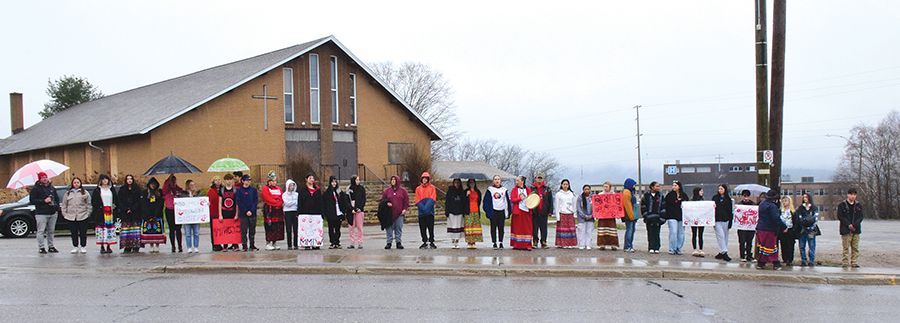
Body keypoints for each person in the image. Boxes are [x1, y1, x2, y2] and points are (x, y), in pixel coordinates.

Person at [756, 189, 786, 270]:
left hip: (760, 228)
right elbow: (776, 219)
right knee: (771, 247)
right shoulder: (772, 206)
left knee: (763, 247)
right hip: (769, 229)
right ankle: (775, 262)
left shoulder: (762, 204)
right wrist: (784, 226)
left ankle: (761, 262)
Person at [30, 172, 59, 254]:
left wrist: (56, 207)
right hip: (41, 213)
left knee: (51, 231)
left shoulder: (52, 188)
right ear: (39, 179)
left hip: (52, 212)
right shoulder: (36, 189)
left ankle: (51, 246)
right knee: (41, 231)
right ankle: (41, 247)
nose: (45, 178)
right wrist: (43, 201)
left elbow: (56, 199)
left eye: (46, 177)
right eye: (42, 177)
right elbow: (32, 200)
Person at [61, 177, 91, 254]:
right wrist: (65, 214)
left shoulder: (85, 192)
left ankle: (83, 246)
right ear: (72, 184)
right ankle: (75, 246)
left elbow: (89, 204)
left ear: (80, 183)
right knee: (73, 232)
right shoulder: (68, 193)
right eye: (74, 182)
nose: (76, 184)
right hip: (71, 216)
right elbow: (64, 205)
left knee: (83, 232)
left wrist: (88, 213)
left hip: (82, 215)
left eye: (78, 182)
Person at [92, 174, 118, 254]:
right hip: (101, 212)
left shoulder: (111, 190)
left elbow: (116, 200)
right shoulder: (97, 190)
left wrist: (115, 207)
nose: (105, 181)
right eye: (103, 179)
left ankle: (108, 245)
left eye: (106, 179)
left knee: (109, 229)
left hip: (110, 212)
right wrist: (99, 208)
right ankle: (102, 246)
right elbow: (94, 201)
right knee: (101, 229)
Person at [837, 188, 864, 268]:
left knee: (855, 248)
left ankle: (854, 262)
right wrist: (848, 224)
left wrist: (855, 224)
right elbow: (840, 216)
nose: (853, 196)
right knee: (846, 248)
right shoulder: (842, 205)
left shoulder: (858, 205)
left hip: (856, 230)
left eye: (854, 195)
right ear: (848, 195)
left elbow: (861, 216)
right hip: (845, 230)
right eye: (851, 194)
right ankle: (845, 263)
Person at [482, 175, 510, 250]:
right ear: (493, 181)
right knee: (493, 228)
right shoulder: (490, 189)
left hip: (501, 211)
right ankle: (494, 242)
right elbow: (486, 201)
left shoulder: (504, 190)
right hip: (493, 211)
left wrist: (508, 212)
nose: (497, 181)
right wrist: (487, 211)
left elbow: (507, 201)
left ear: (500, 181)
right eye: (495, 179)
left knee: (501, 228)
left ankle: (501, 242)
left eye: (498, 179)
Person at [298, 174, 325, 250]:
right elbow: (300, 201)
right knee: (307, 228)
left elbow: (320, 202)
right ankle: (307, 243)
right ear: (306, 179)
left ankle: (316, 243)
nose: (312, 179)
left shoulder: (317, 190)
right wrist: (299, 212)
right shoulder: (303, 190)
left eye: (313, 178)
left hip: (316, 212)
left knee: (315, 228)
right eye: (310, 178)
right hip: (305, 212)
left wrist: (322, 212)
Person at [118, 175, 143, 254]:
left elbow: (139, 201)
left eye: (131, 179)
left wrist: (132, 209)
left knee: (135, 230)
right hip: (125, 214)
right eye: (128, 179)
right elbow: (120, 201)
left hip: (135, 213)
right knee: (127, 231)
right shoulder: (122, 189)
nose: (129, 180)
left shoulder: (137, 189)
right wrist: (126, 209)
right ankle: (127, 246)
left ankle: (136, 246)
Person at [382, 175, 409, 250]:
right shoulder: (387, 191)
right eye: (392, 179)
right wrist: (386, 203)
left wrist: (404, 209)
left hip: (399, 214)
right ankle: (389, 242)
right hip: (389, 214)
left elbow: (406, 201)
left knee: (398, 228)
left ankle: (398, 242)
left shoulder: (403, 191)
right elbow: (382, 200)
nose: (393, 181)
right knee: (389, 229)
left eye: (394, 179)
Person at [261, 172, 285, 251]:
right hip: (270, 210)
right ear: (269, 181)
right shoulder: (265, 188)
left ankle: (274, 242)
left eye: (275, 181)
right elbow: (268, 198)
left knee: (277, 225)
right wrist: (276, 202)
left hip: (278, 210)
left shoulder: (279, 189)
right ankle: (268, 243)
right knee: (270, 225)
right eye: (273, 181)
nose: (274, 182)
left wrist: (279, 203)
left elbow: (281, 197)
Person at [141, 177, 166, 253]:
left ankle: (157, 245)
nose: (153, 186)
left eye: (154, 184)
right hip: (147, 215)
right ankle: (151, 245)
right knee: (150, 231)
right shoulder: (145, 192)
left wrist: (156, 213)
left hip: (157, 215)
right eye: (151, 184)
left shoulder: (159, 192)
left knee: (157, 230)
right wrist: (147, 214)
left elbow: (160, 204)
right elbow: (143, 204)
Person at [236, 174, 260, 251]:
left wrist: (251, 210)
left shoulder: (253, 190)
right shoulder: (239, 190)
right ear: (242, 181)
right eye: (246, 180)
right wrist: (246, 211)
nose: (248, 182)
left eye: (249, 180)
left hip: (252, 213)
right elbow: (239, 202)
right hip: (243, 214)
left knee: (252, 230)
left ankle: (252, 245)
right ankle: (244, 245)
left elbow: (255, 201)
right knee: (244, 230)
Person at [510, 176, 533, 251]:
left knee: (527, 228)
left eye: (518, 180)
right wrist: (520, 198)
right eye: (516, 180)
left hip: (526, 211)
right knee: (518, 228)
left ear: (522, 181)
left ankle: (527, 244)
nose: (516, 182)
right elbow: (513, 200)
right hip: (518, 211)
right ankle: (517, 244)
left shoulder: (528, 190)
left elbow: (531, 200)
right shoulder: (514, 190)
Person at [217, 174, 240, 251]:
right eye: (227, 180)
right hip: (224, 211)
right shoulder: (222, 190)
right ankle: (225, 245)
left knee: (234, 229)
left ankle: (235, 245)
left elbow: (237, 203)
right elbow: (220, 203)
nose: (229, 181)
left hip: (233, 211)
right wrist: (220, 214)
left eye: (230, 179)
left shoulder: (235, 190)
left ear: (232, 180)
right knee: (225, 229)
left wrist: (237, 214)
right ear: (225, 181)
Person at [530, 173, 553, 249]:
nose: (539, 179)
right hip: (535, 211)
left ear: (543, 179)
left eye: (541, 178)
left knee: (544, 228)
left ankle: (544, 242)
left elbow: (550, 200)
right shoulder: (532, 188)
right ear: (535, 179)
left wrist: (550, 211)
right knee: (535, 228)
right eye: (538, 178)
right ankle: (535, 242)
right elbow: (529, 200)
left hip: (544, 211)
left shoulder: (547, 189)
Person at [796, 193, 820, 267]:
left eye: (806, 197)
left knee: (812, 245)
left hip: (811, 229)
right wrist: (804, 222)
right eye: (803, 197)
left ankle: (811, 260)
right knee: (801, 245)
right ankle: (803, 260)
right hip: (802, 229)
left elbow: (815, 218)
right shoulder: (800, 208)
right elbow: (799, 218)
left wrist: (810, 223)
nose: (805, 198)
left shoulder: (814, 208)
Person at [415, 172, 437, 249]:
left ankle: (431, 241)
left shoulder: (432, 188)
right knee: (422, 228)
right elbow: (417, 200)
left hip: (430, 212)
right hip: (422, 212)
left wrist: (426, 208)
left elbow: (433, 198)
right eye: (423, 178)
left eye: (426, 178)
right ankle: (424, 241)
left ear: (428, 179)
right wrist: (424, 208)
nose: (424, 180)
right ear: (421, 179)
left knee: (431, 228)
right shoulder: (418, 189)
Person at [162, 174, 184, 253]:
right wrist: (168, 180)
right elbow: (163, 191)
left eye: (174, 181)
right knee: (172, 229)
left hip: (177, 211)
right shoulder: (167, 190)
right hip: (169, 210)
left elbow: (182, 192)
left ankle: (180, 246)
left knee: (178, 229)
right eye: (172, 181)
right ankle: (173, 246)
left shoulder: (177, 189)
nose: (173, 182)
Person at [664, 180, 687, 255]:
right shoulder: (669, 195)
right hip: (672, 216)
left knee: (681, 233)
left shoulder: (684, 195)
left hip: (681, 217)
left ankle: (679, 248)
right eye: (673, 185)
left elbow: (687, 204)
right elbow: (667, 204)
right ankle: (672, 248)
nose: (673, 187)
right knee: (673, 232)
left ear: (679, 186)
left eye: (675, 185)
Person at [712, 184, 734, 262]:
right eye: (719, 189)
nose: (720, 190)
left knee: (725, 237)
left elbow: (730, 211)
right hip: (717, 219)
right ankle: (724, 252)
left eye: (721, 189)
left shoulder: (728, 199)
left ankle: (721, 252)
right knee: (720, 235)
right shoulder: (715, 198)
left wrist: (730, 221)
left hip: (725, 219)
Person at [323, 176, 346, 249]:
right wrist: (326, 213)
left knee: (337, 229)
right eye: (332, 182)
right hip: (331, 213)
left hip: (338, 212)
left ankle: (337, 242)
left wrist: (343, 210)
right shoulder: (327, 192)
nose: (334, 183)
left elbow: (343, 200)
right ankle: (332, 242)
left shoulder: (338, 191)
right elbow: (325, 203)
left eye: (335, 182)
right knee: (331, 228)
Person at [553, 179, 577, 248]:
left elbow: (574, 204)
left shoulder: (572, 194)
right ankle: (562, 243)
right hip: (562, 213)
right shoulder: (558, 194)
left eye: (567, 184)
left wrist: (574, 213)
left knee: (570, 229)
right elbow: (557, 205)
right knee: (563, 230)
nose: (565, 186)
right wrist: (557, 216)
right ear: (561, 185)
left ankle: (570, 243)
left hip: (570, 213)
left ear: (569, 185)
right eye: (564, 184)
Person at [641, 181, 664, 254]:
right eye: (656, 186)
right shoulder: (646, 196)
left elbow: (663, 206)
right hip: (649, 218)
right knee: (650, 233)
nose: (658, 188)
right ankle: (651, 247)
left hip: (658, 218)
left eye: (659, 186)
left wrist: (662, 217)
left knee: (657, 233)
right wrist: (646, 215)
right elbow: (643, 206)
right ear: (652, 187)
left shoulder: (660, 196)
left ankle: (657, 247)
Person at [179, 180, 201, 253]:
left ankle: (196, 246)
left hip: (195, 216)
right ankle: (189, 247)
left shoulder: (197, 194)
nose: (192, 186)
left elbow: (201, 202)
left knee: (196, 233)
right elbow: (180, 203)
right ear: (187, 185)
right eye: (191, 185)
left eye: (193, 185)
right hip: (187, 217)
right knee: (188, 233)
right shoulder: (183, 194)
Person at [596, 182, 619, 250]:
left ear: (610, 187)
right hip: (602, 216)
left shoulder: (613, 195)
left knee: (611, 230)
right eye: (604, 186)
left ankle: (613, 245)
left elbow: (617, 205)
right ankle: (602, 244)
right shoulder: (600, 194)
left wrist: (617, 214)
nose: (605, 188)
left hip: (611, 216)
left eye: (607, 186)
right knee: (602, 230)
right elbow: (597, 205)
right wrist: (597, 214)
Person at [445, 178, 466, 249]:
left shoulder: (462, 192)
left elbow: (464, 202)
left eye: (458, 183)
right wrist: (447, 211)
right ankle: (453, 241)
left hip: (459, 212)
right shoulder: (450, 191)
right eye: (455, 183)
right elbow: (447, 202)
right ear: (453, 183)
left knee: (458, 227)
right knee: (453, 227)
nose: (457, 184)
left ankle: (457, 241)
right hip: (451, 212)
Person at [778, 195, 800, 266]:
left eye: (786, 201)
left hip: (790, 231)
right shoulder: (780, 211)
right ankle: (784, 258)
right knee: (783, 245)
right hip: (782, 230)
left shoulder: (793, 212)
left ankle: (789, 259)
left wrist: (793, 230)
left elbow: (796, 222)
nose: (784, 202)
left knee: (790, 245)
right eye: (783, 201)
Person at [736, 190, 756, 263]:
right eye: (744, 196)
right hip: (741, 227)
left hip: (750, 227)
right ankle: (742, 255)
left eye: (747, 196)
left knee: (749, 242)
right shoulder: (739, 205)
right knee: (742, 241)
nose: (746, 198)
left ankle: (749, 255)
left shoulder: (753, 205)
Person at [347, 176, 367, 249]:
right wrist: (351, 209)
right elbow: (347, 199)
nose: (358, 181)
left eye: (359, 180)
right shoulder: (349, 189)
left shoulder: (361, 189)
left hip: (359, 210)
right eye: (357, 180)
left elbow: (363, 199)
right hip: (351, 210)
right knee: (351, 227)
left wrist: (360, 208)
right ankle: (352, 242)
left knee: (359, 227)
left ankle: (360, 242)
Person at [464, 179, 484, 249]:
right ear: (468, 184)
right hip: (468, 211)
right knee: (469, 226)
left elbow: (479, 201)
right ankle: (469, 242)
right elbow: (463, 202)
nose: (471, 184)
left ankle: (474, 242)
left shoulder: (478, 191)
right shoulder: (466, 191)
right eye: (470, 183)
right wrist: (466, 195)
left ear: (475, 183)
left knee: (475, 227)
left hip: (476, 210)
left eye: (473, 182)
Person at [622, 178, 639, 253]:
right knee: (629, 230)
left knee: (632, 230)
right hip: (629, 215)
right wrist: (632, 216)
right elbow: (627, 205)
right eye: (633, 184)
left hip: (632, 214)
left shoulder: (630, 192)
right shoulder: (626, 192)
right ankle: (627, 246)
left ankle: (630, 246)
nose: (634, 186)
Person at [576, 184, 595, 250]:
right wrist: (584, 216)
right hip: (582, 218)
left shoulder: (593, 197)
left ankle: (588, 244)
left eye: (588, 189)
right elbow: (578, 208)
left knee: (589, 231)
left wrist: (592, 215)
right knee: (582, 231)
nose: (586, 190)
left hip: (591, 218)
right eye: (585, 189)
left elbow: (596, 207)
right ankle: (582, 244)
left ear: (590, 190)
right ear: (583, 190)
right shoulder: (580, 198)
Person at [283, 179, 299, 250]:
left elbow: (298, 202)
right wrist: (294, 202)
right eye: (290, 185)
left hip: (295, 211)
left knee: (296, 229)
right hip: (287, 212)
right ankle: (289, 244)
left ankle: (296, 244)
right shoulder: (284, 194)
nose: (292, 187)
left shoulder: (297, 194)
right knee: (288, 229)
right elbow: (286, 203)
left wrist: (292, 202)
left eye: (293, 185)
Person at [207, 176, 222, 252]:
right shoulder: (211, 191)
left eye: (219, 180)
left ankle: (220, 243)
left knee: (220, 229)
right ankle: (215, 244)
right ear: (213, 182)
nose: (218, 181)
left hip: (221, 212)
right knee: (213, 230)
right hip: (213, 212)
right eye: (216, 180)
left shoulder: (222, 190)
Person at [690, 187, 706, 257]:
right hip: (693, 219)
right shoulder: (691, 200)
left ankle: (701, 249)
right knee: (694, 234)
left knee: (700, 234)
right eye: (701, 191)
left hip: (701, 219)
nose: (702, 192)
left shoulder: (703, 200)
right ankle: (695, 249)